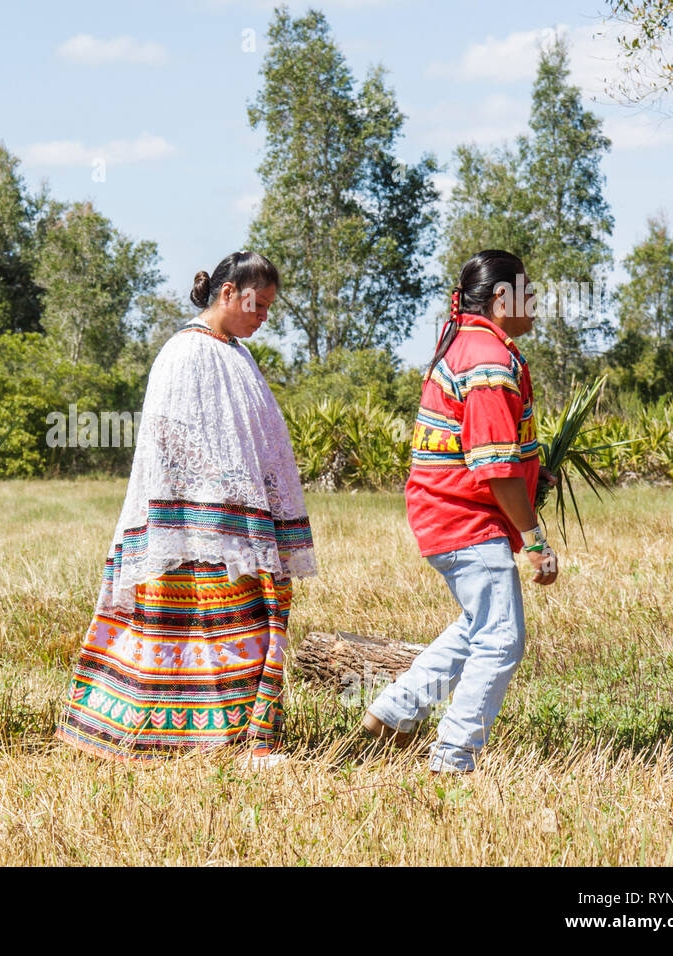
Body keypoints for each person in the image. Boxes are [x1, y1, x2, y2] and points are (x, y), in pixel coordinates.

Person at [56, 252, 316, 764]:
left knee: (242, 626)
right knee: (197, 624)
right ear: (227, 293)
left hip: (234, 524)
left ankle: (238, 736)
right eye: (257, 305)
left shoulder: (234, 353)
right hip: (197, 527)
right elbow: (171, 442)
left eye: (268, 308)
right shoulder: (186, 353)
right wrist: (216, 504)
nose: (263, 317)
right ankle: (172, 735)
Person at [362, 249, 559, 773]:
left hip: (442, 511)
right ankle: (454, 755)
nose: (536, 302)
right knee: (501, 639)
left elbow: (489, 448)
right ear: (501, 298)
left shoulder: (469, 345)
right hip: (465, 516)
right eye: (528, 292)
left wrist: (540, 470)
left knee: (480, 624)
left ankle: (395, 713)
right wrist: (535, 541)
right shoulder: (489, 360)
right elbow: (494, 466)